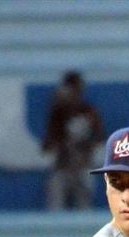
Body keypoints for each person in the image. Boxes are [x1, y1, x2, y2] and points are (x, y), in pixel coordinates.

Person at [42, 71, 104, 211]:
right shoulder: (58, 114)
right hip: (63, 167)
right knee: (56, 196)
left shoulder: (89, 112)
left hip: (83, 166)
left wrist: (86, 146)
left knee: (84, 202)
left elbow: (100, 138)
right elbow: (48, 144)